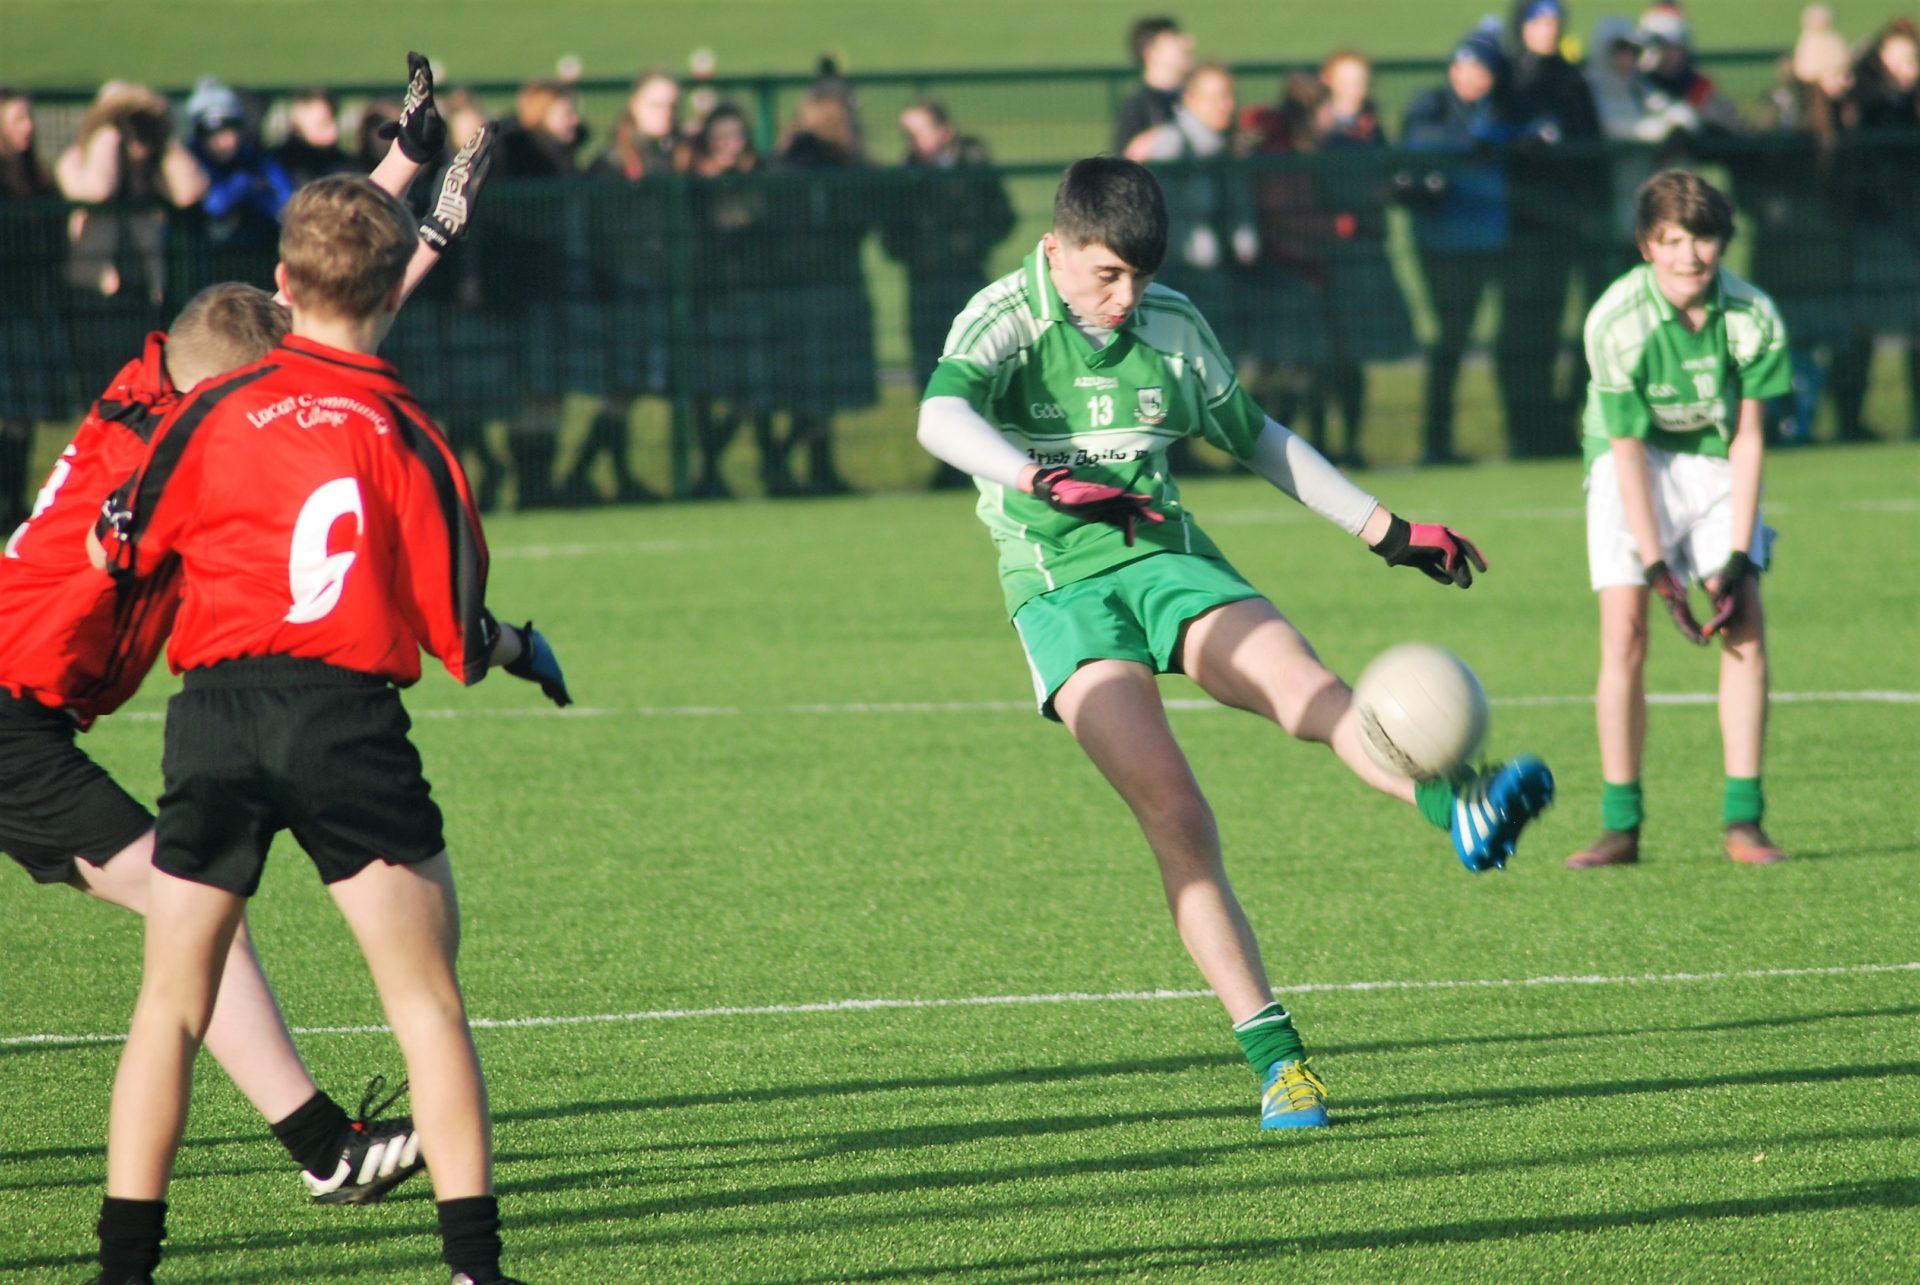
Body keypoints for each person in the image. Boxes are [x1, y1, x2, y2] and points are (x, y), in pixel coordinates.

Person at [914, 156, 1556, 1129]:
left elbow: (1256, 436)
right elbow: (938, 414)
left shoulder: (1171, 324)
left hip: (1166, 556)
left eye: (1139, 275)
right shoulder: (1007, 312)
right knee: (1177, 811)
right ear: (1057, 248)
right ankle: (1279, 1062)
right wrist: (1038, 481)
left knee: (1307, 687)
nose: (1125, 297)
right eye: (1106, 276)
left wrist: (1386, 530)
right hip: (1060, 589)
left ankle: (1451, 804)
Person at [6, 63, 488, 1276]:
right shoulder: (185, 431)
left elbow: (312, 319)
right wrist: (413, 219)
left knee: (192, 926)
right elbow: (317, 353)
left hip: (38, 718)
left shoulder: (173, 387)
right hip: (5, 719)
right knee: (187, 927)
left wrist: (398, 176)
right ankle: (322, 1144)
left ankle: (317, 1143)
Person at [85, 170, 561, 1285]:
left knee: (170, 1005)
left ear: (284, 283)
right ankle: (474, 1268)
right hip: (345, 721)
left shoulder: (208, 410)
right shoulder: (408, 432)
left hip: (216, 716)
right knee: (427, 1004)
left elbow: (123, 547)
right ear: (397, 287)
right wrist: (517, 648)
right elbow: (454, 633)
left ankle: (122, 1271)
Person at [1565, 169, 1791, 870]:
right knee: (1625, 630)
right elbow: (1627, 448)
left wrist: (1737, 560)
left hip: (1712, 458)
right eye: (1671, 240)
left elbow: (1749, 438)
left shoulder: (1754, 316)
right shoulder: (1613, 320)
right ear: (1645, 246)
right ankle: (1620, 823)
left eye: (1703, 238)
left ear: (1723, 242)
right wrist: (1659, 566)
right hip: (1627, 460)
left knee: (1744, 616)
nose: (1689, 255)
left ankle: (1744, 820)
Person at [879, 98, 1016, 489]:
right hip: (922, 283)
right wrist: (919, 253)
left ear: (944, 131)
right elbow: (892, 235)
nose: (910, 142)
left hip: (966, 278)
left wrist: (966, 244)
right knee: (929, 367)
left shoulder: (973, 169)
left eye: (916, 131)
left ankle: (979, 458)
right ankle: (947, 462)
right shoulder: (905, 178)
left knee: (974, 363)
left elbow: (1002, 216)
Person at [1401, 20, 1517, 464]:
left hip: (1489, 242)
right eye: (1463, 66)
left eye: (1481, 69)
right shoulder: (1431, 106)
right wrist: (1474, 142)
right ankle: (1435, 440)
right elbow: (1417, 142)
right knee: (1450, 339)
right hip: (1443, 245)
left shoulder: (1499, 114)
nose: (1470, 77)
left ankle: (1447, 438)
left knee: (1473, 337)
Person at [1502, 0, 1605, 459]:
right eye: (1538, 21)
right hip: (1522, 229)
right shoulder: (1509, 79)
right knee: (1527, 331)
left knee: (1584, 327)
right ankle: (1527, 428)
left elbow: (1591, 145)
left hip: (1568, 224)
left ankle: (1563, 420)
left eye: (1553, 21)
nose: (1548, 29)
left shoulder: (1570, 78)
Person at [1306, 51, 1420, 466]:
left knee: (1355, 354)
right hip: (1326, 254)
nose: (1355, 89)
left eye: (1361, 81)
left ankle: (1350, 442)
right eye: (1347, 80)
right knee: (1322, 354)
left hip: (1365, 251)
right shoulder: (1317, 130)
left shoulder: (1371, 130)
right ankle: (1316, 443)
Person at [1836, 16, 1920, 441]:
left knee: (1916, 324)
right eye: (1902, 58)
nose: (1910, 68)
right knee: (1862, 324)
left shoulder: (1910, 103)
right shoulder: (1866, 100)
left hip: (1909, 229)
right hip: (1872, 227)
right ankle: (1850, 422)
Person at [0, 86, 73, 530]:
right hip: (6, 301)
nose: (28, 128)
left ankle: (13, 499)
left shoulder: (40, 176)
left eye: (29, 119)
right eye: (17, 120)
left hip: (30, 302)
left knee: (21, 410)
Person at [1114, 16, 1195, 159]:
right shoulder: (1136, 109)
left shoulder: (1198, 100)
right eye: (1175, 40)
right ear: (1150, 52)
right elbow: (1124, 166)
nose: (1189, 44)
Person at [271, 86, 357, 189]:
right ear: (297, 124)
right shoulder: (277, 167)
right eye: (323, 125)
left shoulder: (344, 165)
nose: (334, 133)